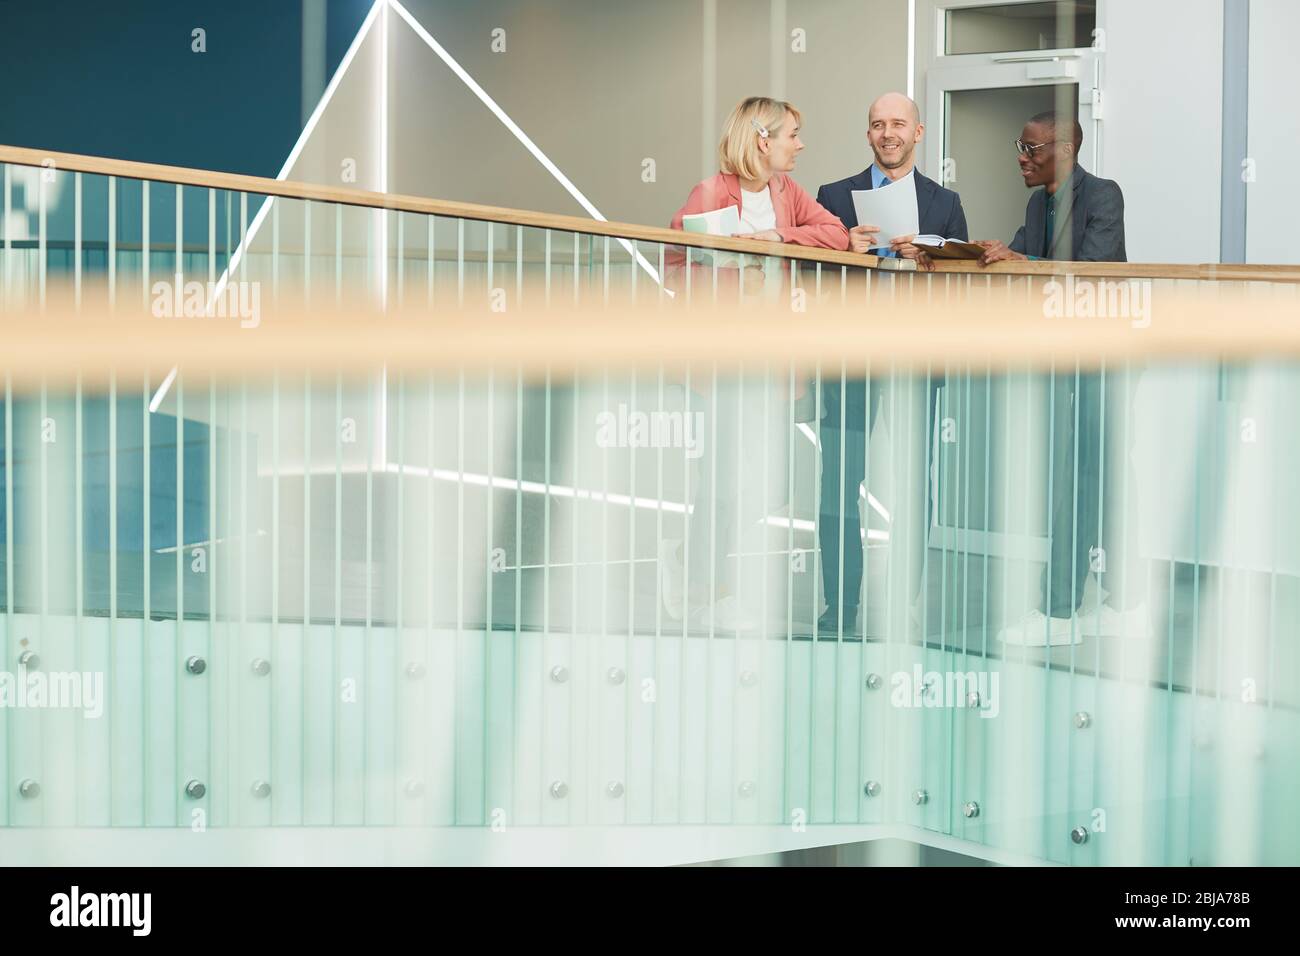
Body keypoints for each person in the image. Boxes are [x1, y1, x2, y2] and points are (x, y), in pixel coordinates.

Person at [661, 96, 848, 632]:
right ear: (762, 140)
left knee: (777, 482)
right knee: (721, 482)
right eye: (792, 134)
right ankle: (712, 591)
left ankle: (688, 556)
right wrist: (716, 277)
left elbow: (835, 234)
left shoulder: (786, 193)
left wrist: (778, 236)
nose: (800, 145)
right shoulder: (710, 192)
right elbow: (673, 261)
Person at [976, 110, 1144, 643]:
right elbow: (1024, 257)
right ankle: (1118, 602)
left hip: (1104, 349)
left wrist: (1021, 259)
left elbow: (1091, 269)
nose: (1021, 159)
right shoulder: (1036, 204)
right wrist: (990, 254)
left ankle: (1065, 610)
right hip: (1064, 352)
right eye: (1020, 147)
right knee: (1089, 471)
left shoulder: (1103, 195)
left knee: (1096, 471)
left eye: (1032, 149)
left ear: (1066, 150)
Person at [811, 92, 968, 637]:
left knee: (913, 484)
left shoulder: (946, 203)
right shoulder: (833, 197)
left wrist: (929, 262)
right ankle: (840, 607)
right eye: (878, 124)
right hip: (850, 359)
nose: (887, 133)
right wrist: (843, 252)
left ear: (917, 132)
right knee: (839, 482)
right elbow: (811, 279)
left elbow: (962, 285)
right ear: (868, 134)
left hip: (914, 358)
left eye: (898, 123)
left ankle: (904, 602)